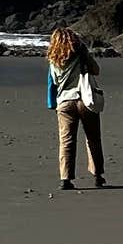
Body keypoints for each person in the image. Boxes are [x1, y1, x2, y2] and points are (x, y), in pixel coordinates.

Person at [46, 26, 105, 189]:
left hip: (64, 102)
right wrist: (85, 53)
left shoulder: (53, 59)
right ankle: (97, 175)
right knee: (93, 138)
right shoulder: (81, 54)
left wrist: (52, 103)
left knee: (66, 141)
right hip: (84, 99)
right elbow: (96, 70)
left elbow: (53, 82)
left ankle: (65, 178)